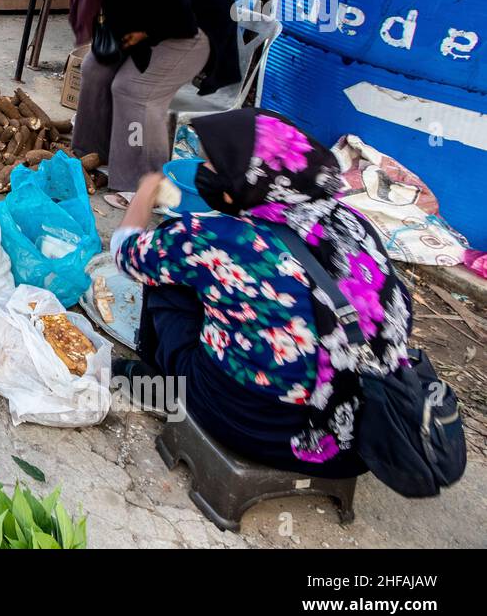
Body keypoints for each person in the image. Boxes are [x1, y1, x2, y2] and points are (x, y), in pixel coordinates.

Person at [112, 109, 414, 477]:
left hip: (265, 430)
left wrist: (144, 192)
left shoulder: (220, 238)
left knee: (166, 279)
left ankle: (158, 381)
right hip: (359, 430)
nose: (203, 172)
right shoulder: (350, 221)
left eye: (211, 165)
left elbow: (126, 254)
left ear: (245, 180)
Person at [62, 0, 239, 202]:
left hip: (191, 31)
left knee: (134, 91)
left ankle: (141, 183)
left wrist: (140, 33)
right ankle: (91, 155)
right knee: (94, 69)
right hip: (145, 27)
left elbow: (180, 14)